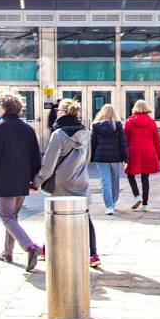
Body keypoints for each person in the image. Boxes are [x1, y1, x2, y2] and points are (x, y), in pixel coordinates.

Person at [34, 99, 100, 269]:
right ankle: (93, 253)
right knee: (85, 216)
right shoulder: (86, 132)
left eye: (58, 110)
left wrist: (36, 182)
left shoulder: (59, 134)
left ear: (63, 112)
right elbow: (87, 158)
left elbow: (49, 165)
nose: (56, 113)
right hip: (81, 179)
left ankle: (49, 249)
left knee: (56, 216)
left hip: (61, 183)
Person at [0, 90, 43, 272]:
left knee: (6, 217)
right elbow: (35, 157)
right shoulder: (28, 128)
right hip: (22, 180)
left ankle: (30, 247)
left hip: (4, 180)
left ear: (5, 108)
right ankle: (7, 252)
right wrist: (35, 181)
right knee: (12, 217)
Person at [124, 99, 160, 212]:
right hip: (148, 151)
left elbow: (125, 140)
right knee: (145, 177)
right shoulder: (151, 122)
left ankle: (137, 196)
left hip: (134, 151)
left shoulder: (129, 122)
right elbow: (157, 140)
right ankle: (145, 204)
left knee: (130, 174)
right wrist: (159, 156)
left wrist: (124, 155)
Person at [90, 103, 127, 214]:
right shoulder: (118, 125)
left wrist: (92, 157)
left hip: (101, 157)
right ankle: (113, 202)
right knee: (115, 180)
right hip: (115, 157)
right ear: (113, 113)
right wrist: (125, 159)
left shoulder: (96, 126)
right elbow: (122, 143)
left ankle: (109, 206)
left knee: (105, 182)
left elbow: (93, 143)